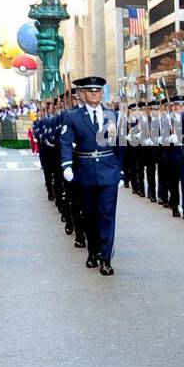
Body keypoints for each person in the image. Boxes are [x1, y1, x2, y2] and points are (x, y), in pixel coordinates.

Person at [59, 76, 124, 276]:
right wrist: (67, 165)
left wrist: (120, 171)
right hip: (85, 171)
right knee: (89, 215)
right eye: (90, 91)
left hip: (108, 171)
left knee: (106, 215)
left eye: (97, 91)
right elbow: (66, 142)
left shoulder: (112, 115)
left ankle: (105, 258)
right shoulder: (73, 117)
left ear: (102, 93)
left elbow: (119, 145)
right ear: (83, 94)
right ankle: (93, 251)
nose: (94, 94)